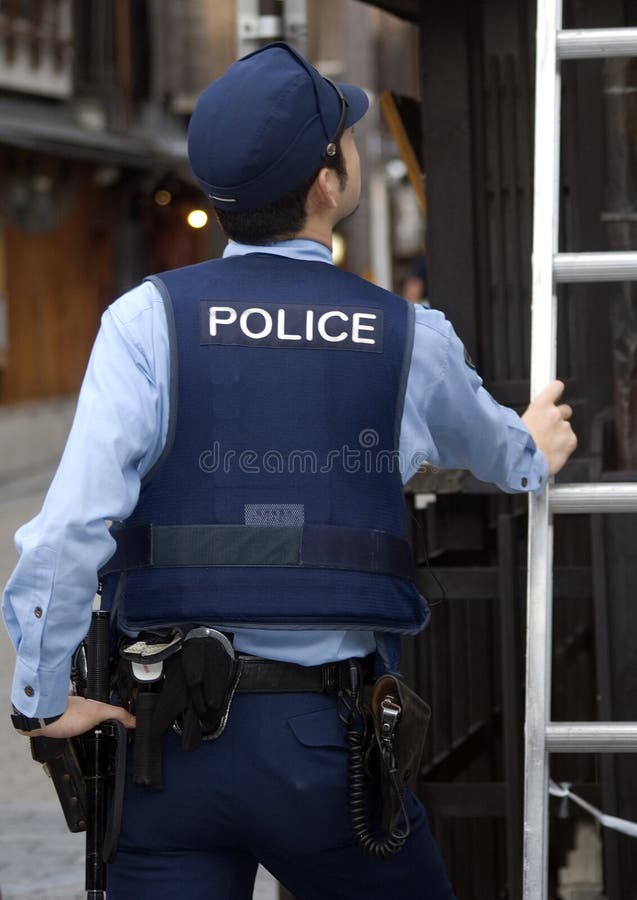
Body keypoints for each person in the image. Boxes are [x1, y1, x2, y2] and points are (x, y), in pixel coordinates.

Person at [2, 41, 577, 900]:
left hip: (164, 752)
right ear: (326, 181)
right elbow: (501, 454)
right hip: (328, 751)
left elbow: (67, 532)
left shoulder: (143, 321)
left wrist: (39, 702)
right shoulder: (403, 334)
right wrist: (534, 443)